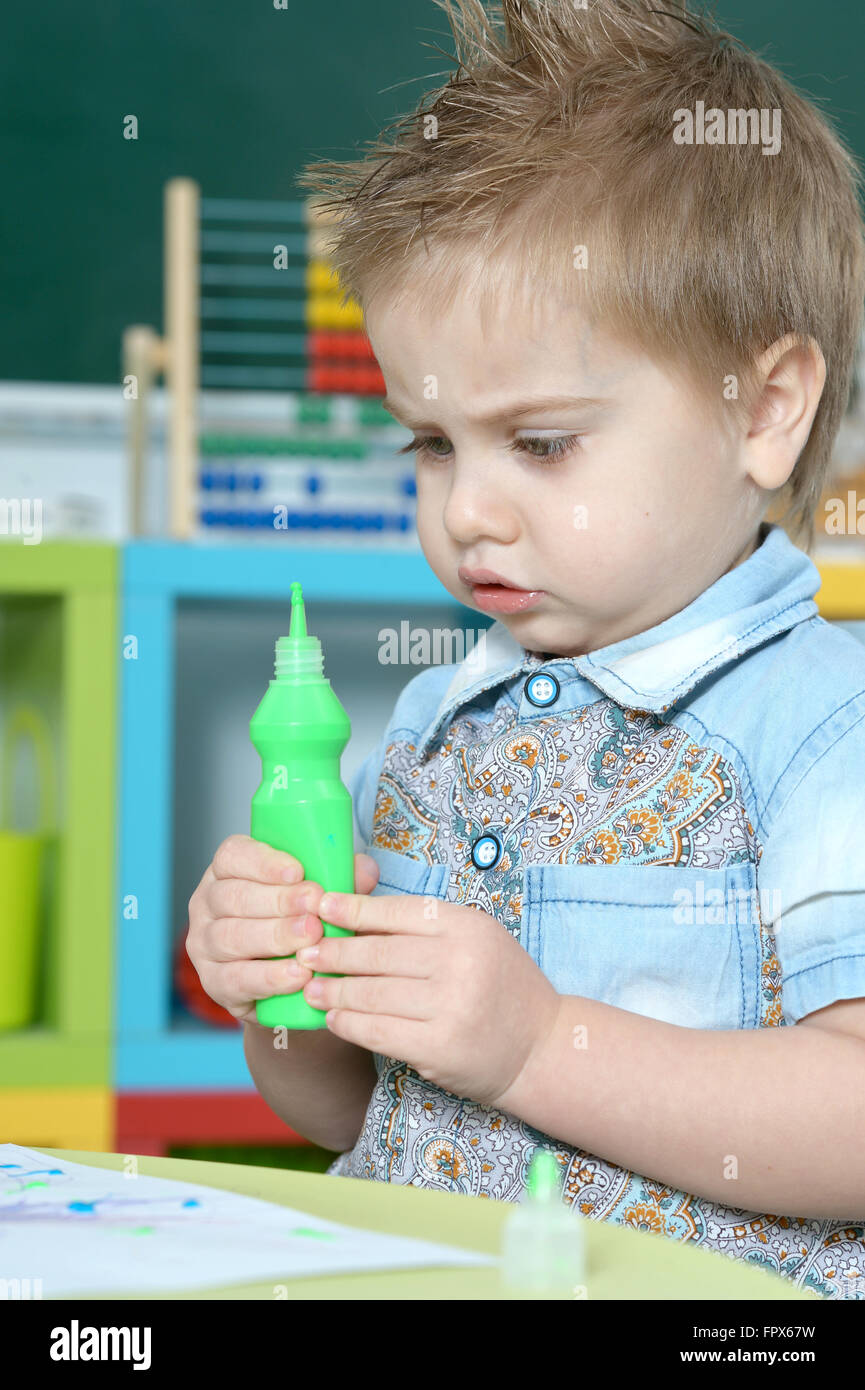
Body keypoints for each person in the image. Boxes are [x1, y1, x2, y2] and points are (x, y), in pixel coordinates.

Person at [187, 0, 865, 1299]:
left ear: (763, 410)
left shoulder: (824, 733)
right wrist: (281, 999)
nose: (468, 509)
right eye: (432, 446)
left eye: (540, 443)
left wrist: (536, 1042)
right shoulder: (447, 717)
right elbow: (364, 1118)